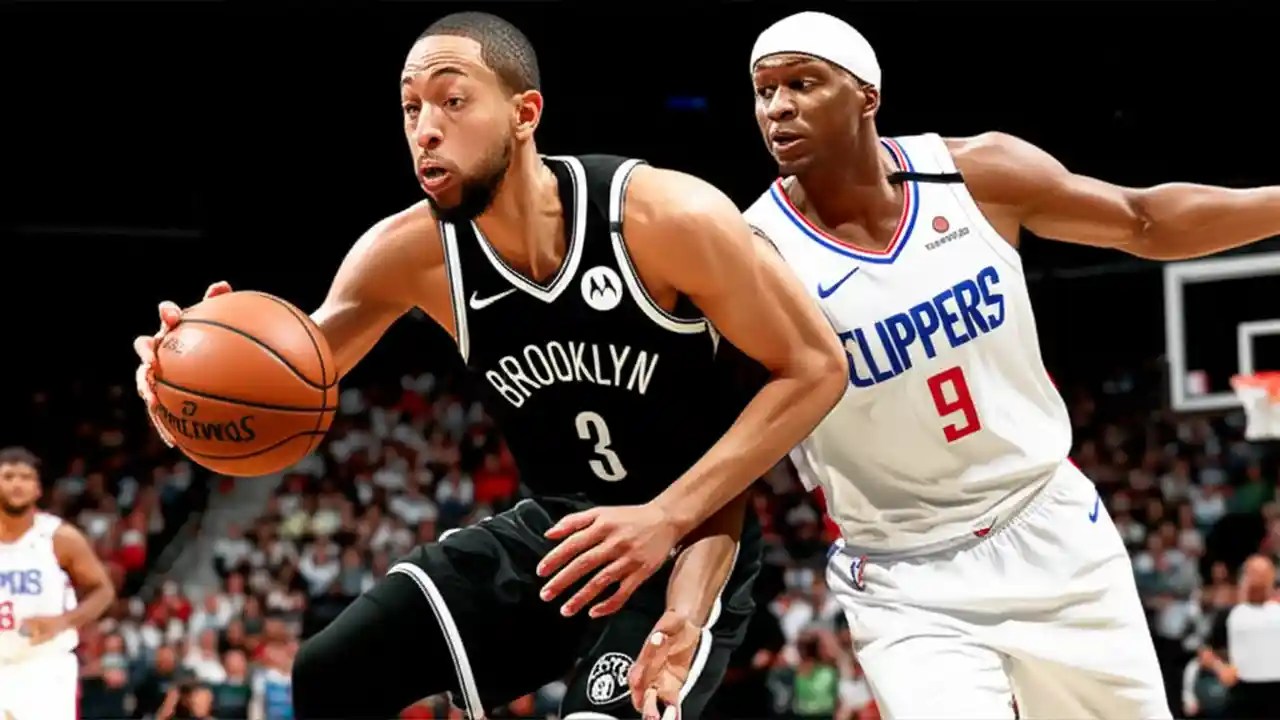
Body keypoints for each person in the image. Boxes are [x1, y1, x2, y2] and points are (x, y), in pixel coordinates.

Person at [131, 11, 847, 720]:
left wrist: (666, 516)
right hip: (556, 534)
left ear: (525, 112)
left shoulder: (665, 217)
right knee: (328, 675)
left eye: (452, 99)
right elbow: (296, 374)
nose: (425, 128)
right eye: (410, 108)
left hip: (692, 536)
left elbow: (815, 367)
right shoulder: (406, 253)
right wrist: (188, 387)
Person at [575, 9, 1280, 718]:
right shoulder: (755, 253)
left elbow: (1142, 218)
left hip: (1050, 528)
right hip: (903, 578)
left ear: (866, 95)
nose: (777, 106)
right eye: (764, 91)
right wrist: (689, 612)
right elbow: (730, 456)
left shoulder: (975, 174)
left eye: (802, 83)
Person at [0, 446, 116, 720]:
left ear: (38, 489)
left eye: (26, 477)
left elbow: (104, 590)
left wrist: (63, 621)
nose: (17, 484)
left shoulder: (58, 537)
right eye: (8, 476)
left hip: (44, 666)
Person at [1202, 555, 1280, 718]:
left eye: (1263, 574)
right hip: (1241, 693)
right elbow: (1206, 651)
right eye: (1253, 573)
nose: (1258, 579)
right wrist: (1220, 668)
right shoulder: (1230, 614)